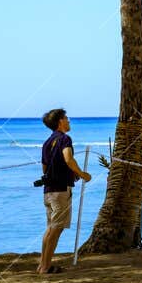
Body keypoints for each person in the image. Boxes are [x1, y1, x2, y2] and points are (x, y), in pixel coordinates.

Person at [38, 108, 93, 274]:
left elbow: (45, 167)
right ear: (60, 121)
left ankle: (43, 264)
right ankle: (45, 267)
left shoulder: (47, 142)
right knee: (56, 228)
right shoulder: (64, 139)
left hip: (48, 190)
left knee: (50, 228)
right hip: (61, 190)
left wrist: (68, 174)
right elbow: (68, 159)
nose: (69, 121)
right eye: (67, 118)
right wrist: (82, 174)